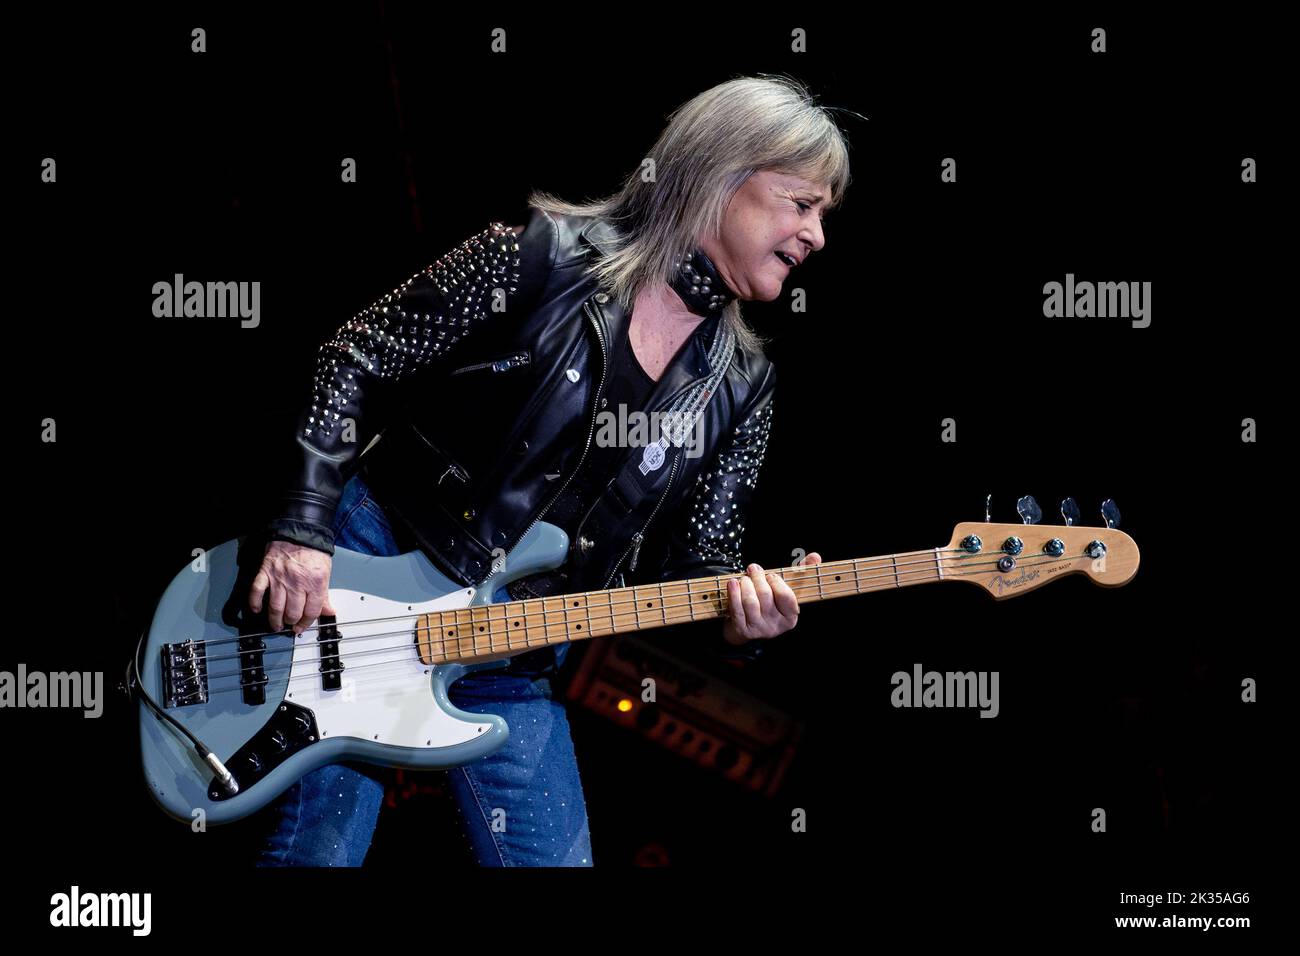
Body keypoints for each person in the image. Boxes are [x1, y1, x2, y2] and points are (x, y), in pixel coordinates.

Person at [243, 75, 851, 866]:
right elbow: (354, 357)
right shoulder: (540, 255)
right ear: (719, 174)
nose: (817, 236)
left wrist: (745, 623)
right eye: (802, 203)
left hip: (513, 659)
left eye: (825, 215)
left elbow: (700, 565)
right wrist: (302, 528)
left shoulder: (742, 383)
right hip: (365, 592)